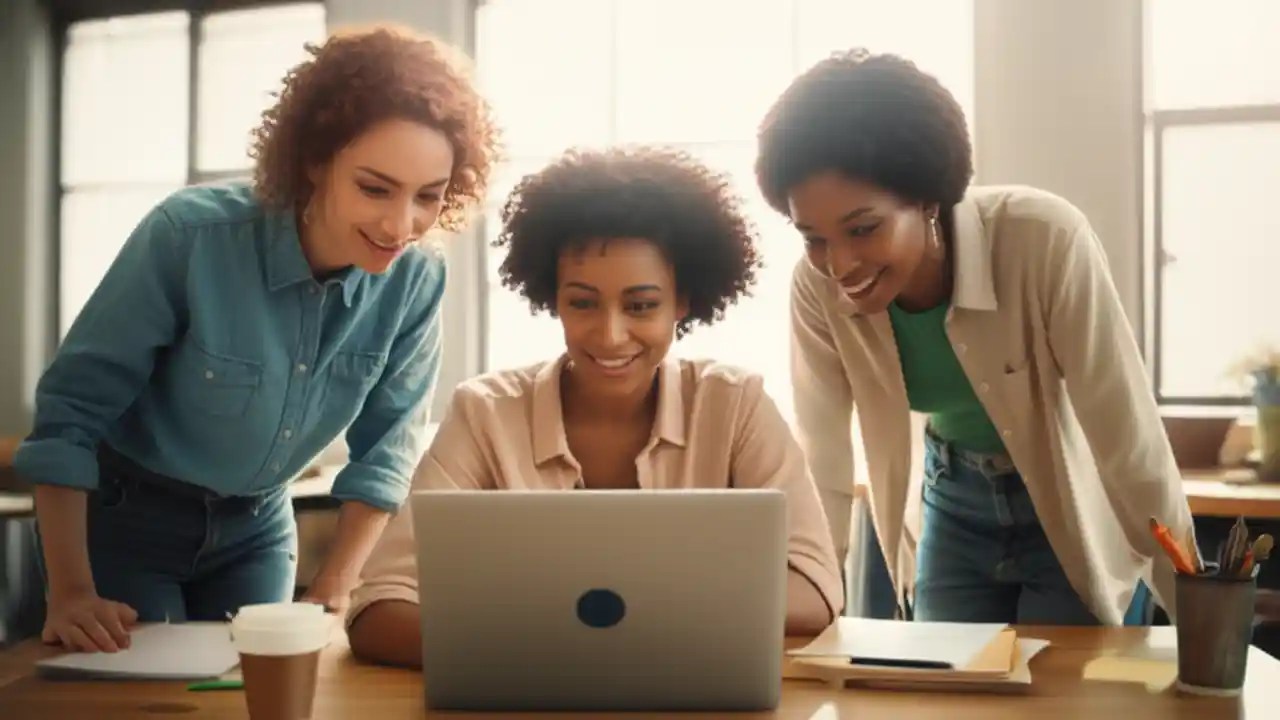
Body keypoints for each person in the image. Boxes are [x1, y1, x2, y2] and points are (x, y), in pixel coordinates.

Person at [14, 25, 498, 653]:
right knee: (149, 688)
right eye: (374, 188)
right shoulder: (188, 237)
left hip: (258, 530)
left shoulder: (417, 277)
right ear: (314, 161)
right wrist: (71, 592)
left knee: (257, 688)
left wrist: (335, 585)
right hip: (126, 522)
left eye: (427, 197)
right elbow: (69, 418)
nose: (400, 224)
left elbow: (388, 449)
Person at [346, 147, 843, 668]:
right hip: (531, 692)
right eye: (582, 303)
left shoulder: (735, 405)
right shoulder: (485, 415)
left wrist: (607, 627)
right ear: (553, 298)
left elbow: (814, 589)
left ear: (682, 301)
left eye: (641, 306)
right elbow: (379, 607)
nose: (610, 335)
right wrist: (562, 651)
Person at [754, 49, 1194, 626]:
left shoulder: (1042, 239)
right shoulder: (816, 290)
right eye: (813, 238)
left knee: (1062, 680)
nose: (839, 265)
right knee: (944, 677)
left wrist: (1197, 612)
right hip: (953, 500)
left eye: (863, 229)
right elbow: (824, 458)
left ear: (927, 198)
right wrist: (807, 604)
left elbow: (1127, 437)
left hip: (1065, 501)